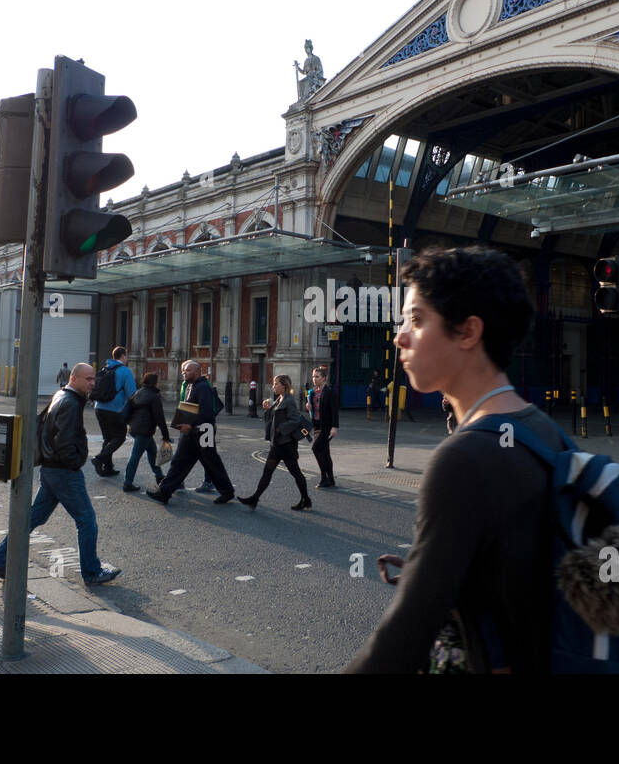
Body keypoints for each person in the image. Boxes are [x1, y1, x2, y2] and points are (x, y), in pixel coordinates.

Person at [346, 246, 563, 673]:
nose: (400, 335)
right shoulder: (544, 430)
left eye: (417, 319)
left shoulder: (463, 459)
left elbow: (403, 638)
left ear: (468, 333)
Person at [0, 364, 122, 586]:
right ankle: (92, 572)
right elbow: (63, 441)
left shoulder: (61, 395)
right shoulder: (70, 403)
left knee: (32, 519)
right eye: (87, 379)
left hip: (51, 470)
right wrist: (75, 462)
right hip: (63, 471)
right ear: (73, 377)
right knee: (86, 520)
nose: (92, 383)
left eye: (93, 379)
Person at [147, 359, 237, 505]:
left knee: (212, 462)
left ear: (196, 371)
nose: (184, 372)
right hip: (192, 432)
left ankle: (227, 491)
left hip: (203, 431)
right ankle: (164, 492)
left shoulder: (202, 387)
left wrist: (190, 425)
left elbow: (206, 412)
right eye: (183, 370)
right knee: (179, 462)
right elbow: (191, 408)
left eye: (187, 370)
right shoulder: (191, 386)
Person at [238, 374, 312, 511]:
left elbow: (295, 420)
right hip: (277, 444)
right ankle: (254, 498)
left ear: (284, 385)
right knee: (268, 472)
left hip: (286, 444)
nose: (274, 386)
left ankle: (306, 499)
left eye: (277, 384)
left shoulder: (289, 401)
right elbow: (275, 417)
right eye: (274, 384)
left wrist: (280, 428)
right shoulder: (280, 399)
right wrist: (268, 408)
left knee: (295, 472)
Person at [90, 346, 137, 477]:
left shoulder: (106, 368)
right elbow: (132, 393)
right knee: (120, 436)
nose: (127, 358)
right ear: (122, 356)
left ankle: (108, 467)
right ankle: (99, 459)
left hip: (99, 406)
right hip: (114, 408)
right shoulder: (125, 371)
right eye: (126, 356)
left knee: (108, 437)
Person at [122, 372, 171, 493]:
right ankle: (127, 482)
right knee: (135, 456)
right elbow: (159, 418)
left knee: (152, 452)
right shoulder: (154, 396)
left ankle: (159, 476)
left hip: (135, 429)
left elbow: (127, 411)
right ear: (155, 382)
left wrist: (130, 424)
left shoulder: (137, 393)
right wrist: (166, 435)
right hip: (145, 430)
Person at [306, 365, 339, 488]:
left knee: (315, 448)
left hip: (326, 426)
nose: (314, 379)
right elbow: (313, 408)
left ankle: (323, 478)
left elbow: (334, 411)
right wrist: (308, 408)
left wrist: (335, 427)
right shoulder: (312, 392)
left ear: (324, 378)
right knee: (325, 453)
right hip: (316, 425)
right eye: (313, 376)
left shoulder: (330, 392)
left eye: (317, 376)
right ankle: (330, 479)